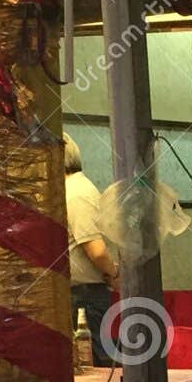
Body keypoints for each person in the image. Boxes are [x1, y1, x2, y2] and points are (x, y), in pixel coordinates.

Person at [64, 135, 116, 364]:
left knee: (94, 362)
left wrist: (115, 275)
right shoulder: (72, 190)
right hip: (81, 291)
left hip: (85, 294)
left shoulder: (77, 194)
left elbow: (96, 250)